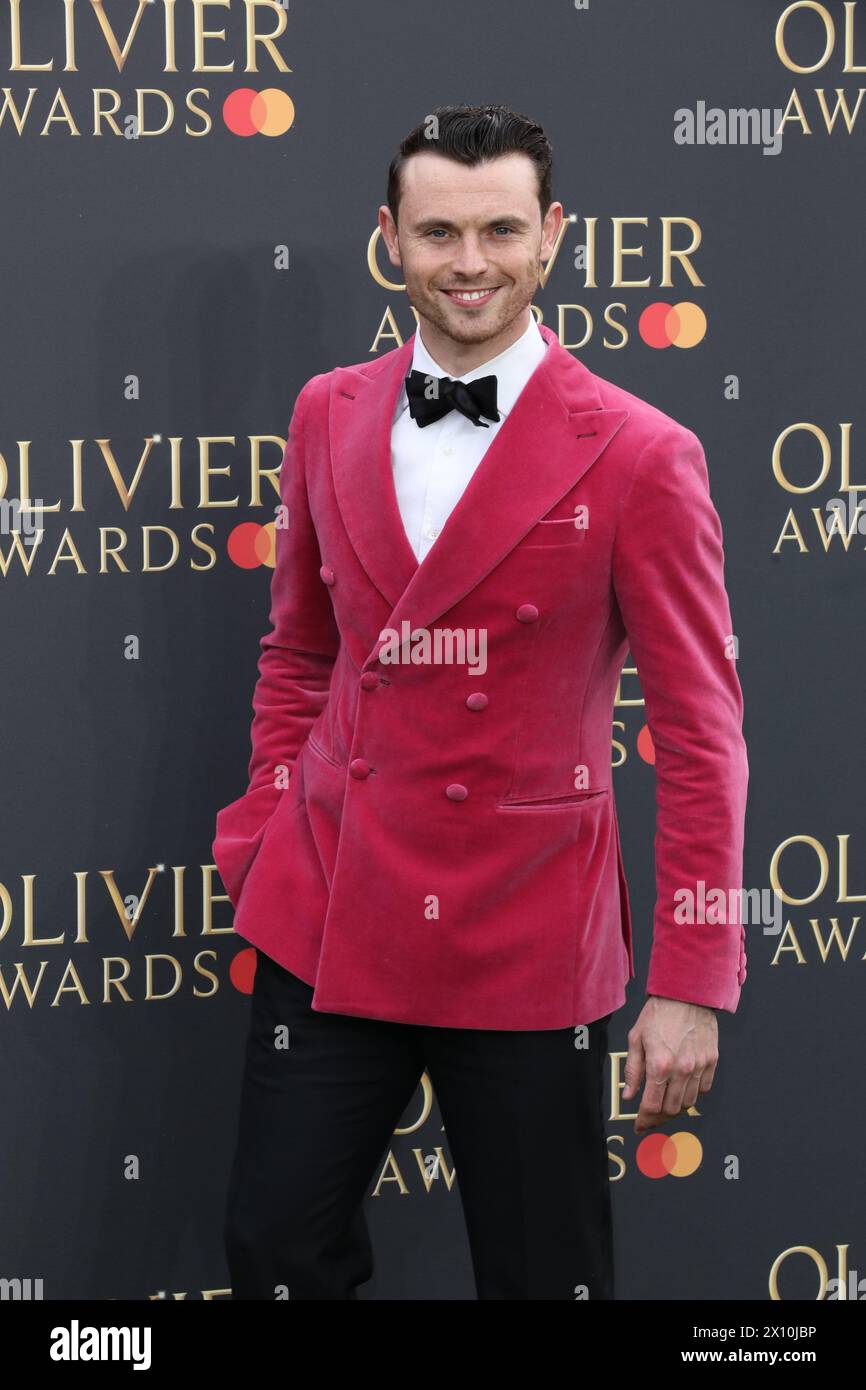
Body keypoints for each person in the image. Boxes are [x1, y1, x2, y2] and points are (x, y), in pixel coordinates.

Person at [215, 104, 749, 1301]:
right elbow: (297, 654)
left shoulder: (637, 451)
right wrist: (263, 832)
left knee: (540, 1274)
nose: (469, 263)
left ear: (552, 236)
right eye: (439, 232)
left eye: (500, 229)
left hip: (525, 935)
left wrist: (691, 978)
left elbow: (701, 732)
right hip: (329, 905)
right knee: (274, 1254)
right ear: (390, 240)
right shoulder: (326, 411)